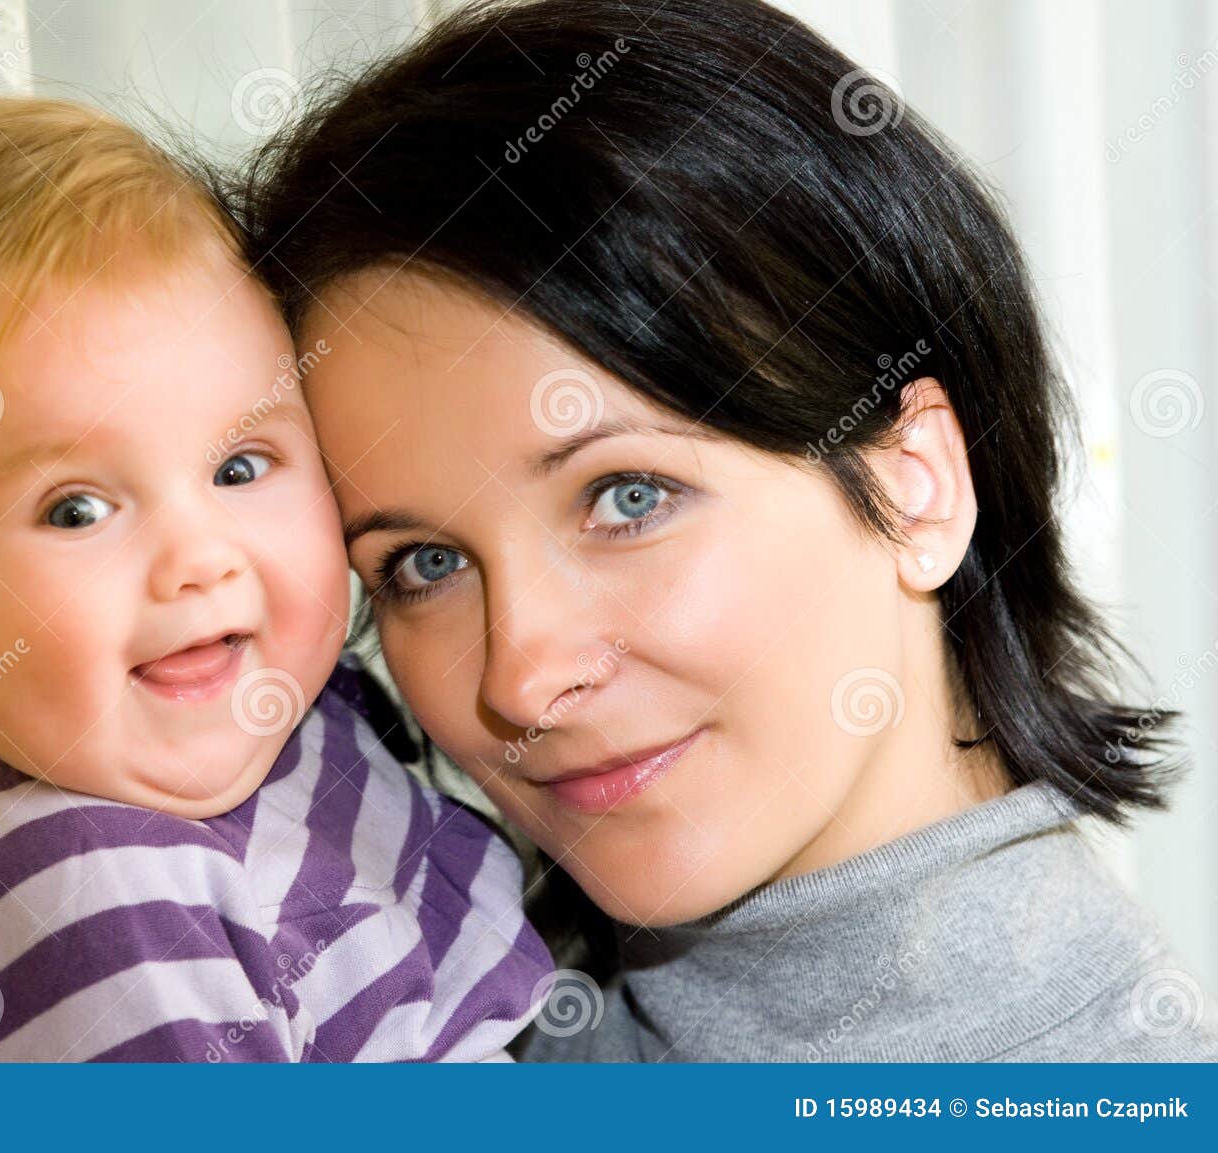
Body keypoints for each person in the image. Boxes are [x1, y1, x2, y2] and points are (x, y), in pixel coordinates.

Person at [244, 0, 1218, 1060]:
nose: (521, 681)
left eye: (627, 497)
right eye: (422, 565)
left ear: (916, 484)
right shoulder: (383, 985)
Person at [0, 97, 551, 1061]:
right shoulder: (97, 908)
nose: (198, 557)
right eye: (76, 510)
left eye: (239, 468)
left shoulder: (209, 704)